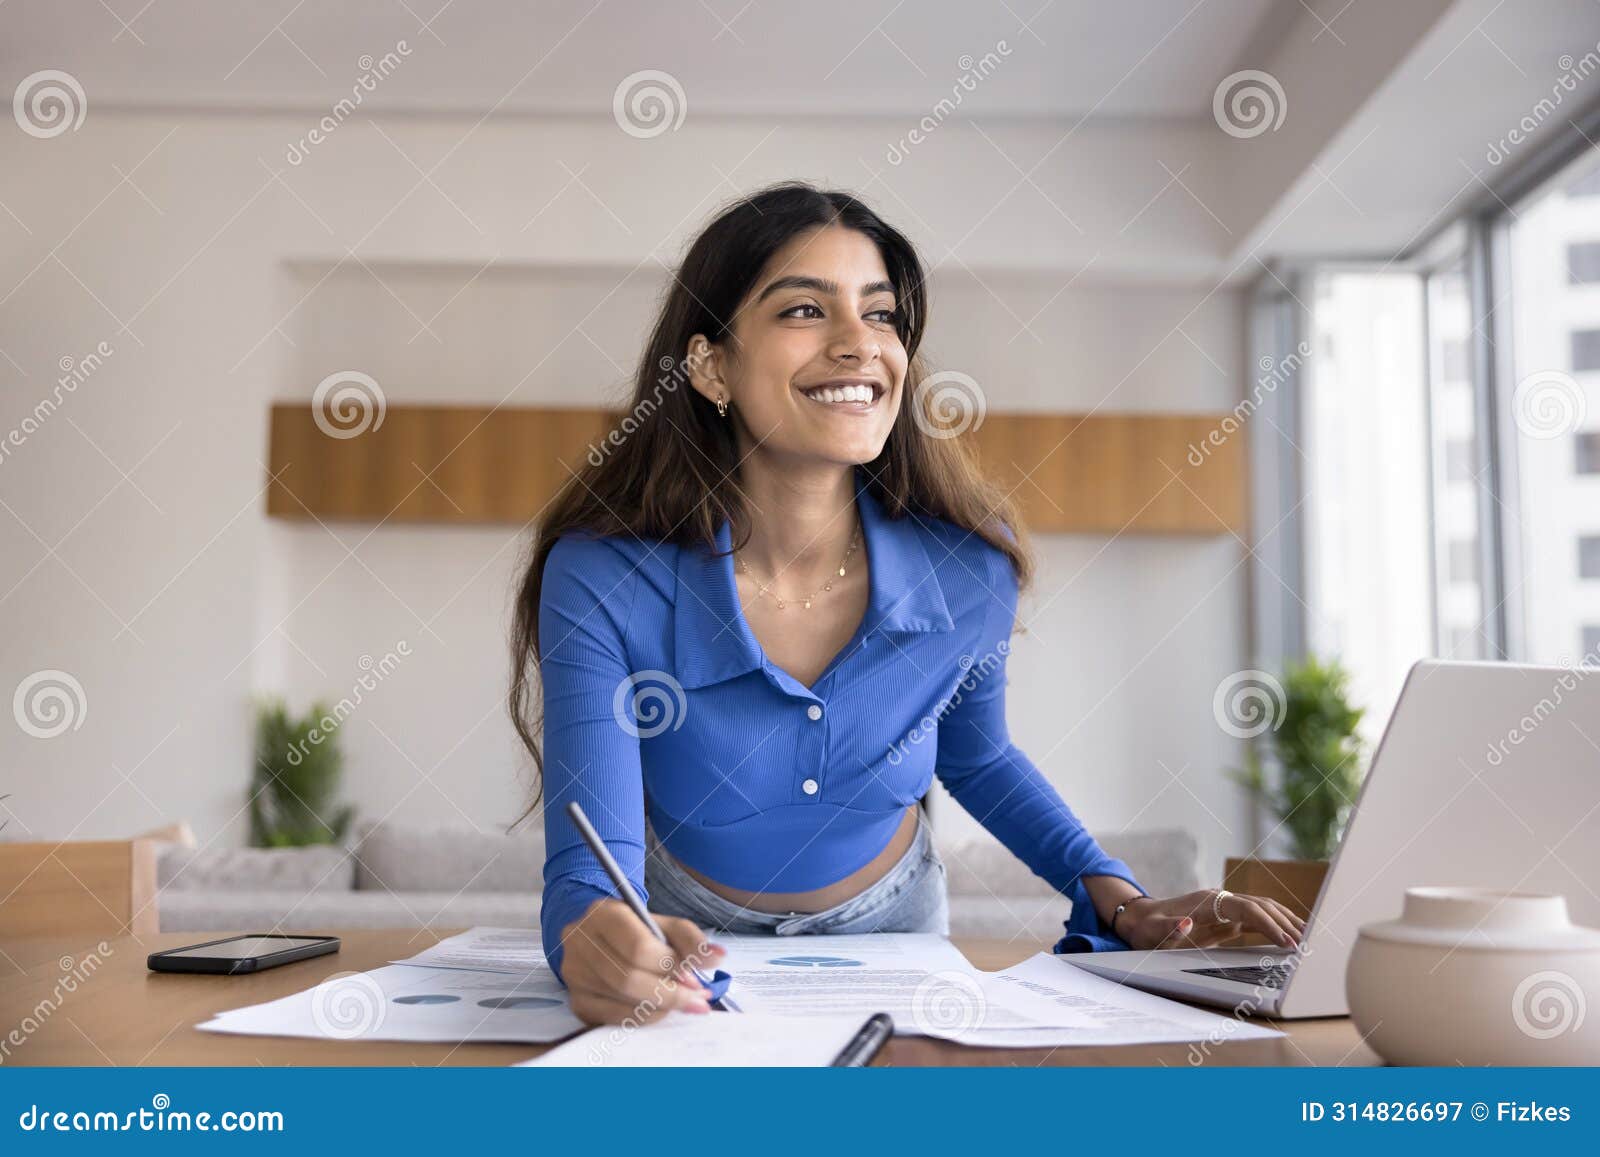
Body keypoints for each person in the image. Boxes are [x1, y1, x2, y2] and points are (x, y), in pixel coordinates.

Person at [507, 181, 1305, 1026]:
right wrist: (593, 938)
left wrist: (1116, 894)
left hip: (895, 928)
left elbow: (978, 756)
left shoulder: (969, 567)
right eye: (804, 309)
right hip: (683, 931)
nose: (860, 343)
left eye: (881, 313)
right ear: (710, 365)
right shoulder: (602, 577)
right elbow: (588, 872)